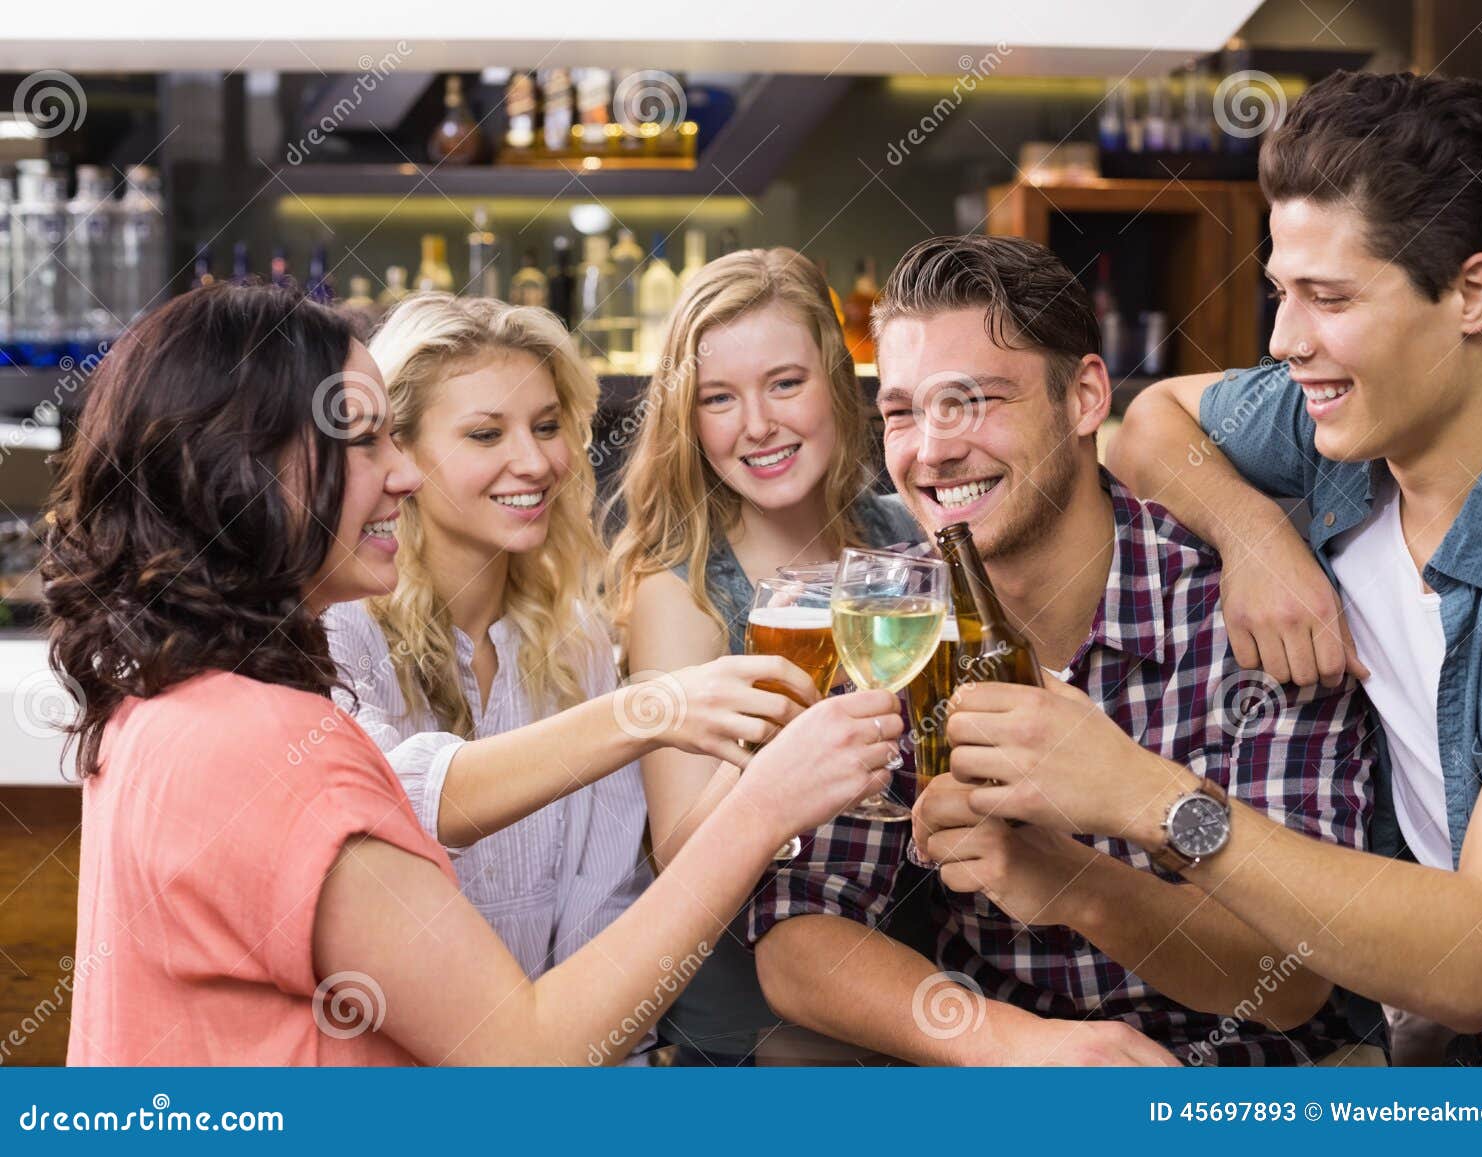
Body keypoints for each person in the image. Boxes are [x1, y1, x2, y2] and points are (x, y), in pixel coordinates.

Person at [48, 282, 903, 1066]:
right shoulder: (266, 743)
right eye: (368, 441)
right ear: (248, 470)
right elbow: (525, 1061)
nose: (404, 476)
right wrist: (755, 805)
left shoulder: (176, 699)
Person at [747, 235, 1380, 1067]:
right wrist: (1015, 1046)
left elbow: (1297, 975)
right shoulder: (889, 622)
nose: (931, 450)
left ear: (1084, 397)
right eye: (902, 412)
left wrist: (1076, 885)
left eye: (971, 400)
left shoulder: (1245, 616)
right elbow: (800, 923)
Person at [1103, 70, 1482, 1066]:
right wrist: (1251, 534)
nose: (1284, 341)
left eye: (1327, 298)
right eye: (1280, 292)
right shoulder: (1339, 418)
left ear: (1471, 292)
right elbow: (1145, 426)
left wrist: (1134, 794)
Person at [603, 247, 929, 1054]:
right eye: (720, 398)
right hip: (753, 1029)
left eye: (785, 383)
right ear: (690, 417)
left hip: (917, 990)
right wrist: (784, 738)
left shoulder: (904, 538)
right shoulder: (681, 589)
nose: (758, 425)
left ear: (834, 378)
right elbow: (682, 851)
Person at [323, 294, 649, 1016]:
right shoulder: (338, 629)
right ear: (397, 452)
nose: (534, 462)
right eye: (484, 434)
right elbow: (395, 799)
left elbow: (608, 907)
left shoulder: (578, 639)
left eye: (545, 426)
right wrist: (655, 713)